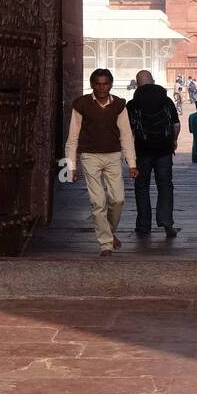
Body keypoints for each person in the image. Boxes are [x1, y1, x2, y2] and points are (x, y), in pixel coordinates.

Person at [64, 68, 137, 257]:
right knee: (97, 201)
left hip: (113, 155)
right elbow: (72, 137)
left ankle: (109, 232)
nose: (102, 87)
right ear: (92, 85)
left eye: (105, 84)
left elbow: (126, 136)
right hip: (90, 156)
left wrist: (132, 163)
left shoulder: (119, 105)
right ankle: (105, 244)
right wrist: (71, 166)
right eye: (98, 84)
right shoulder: (81, 105)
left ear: (111, 85)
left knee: (118, 199)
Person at [127, 69, 180, 238]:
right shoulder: (166, 100)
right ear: (154, 81)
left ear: (137, 84)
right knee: (165, 185)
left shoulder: (133, 103)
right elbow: (176, 125)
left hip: (142, 150)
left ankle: (143, 224)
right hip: (164, 149)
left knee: (141, 186)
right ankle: (166, 221)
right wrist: (173, 141)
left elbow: (128, 130)